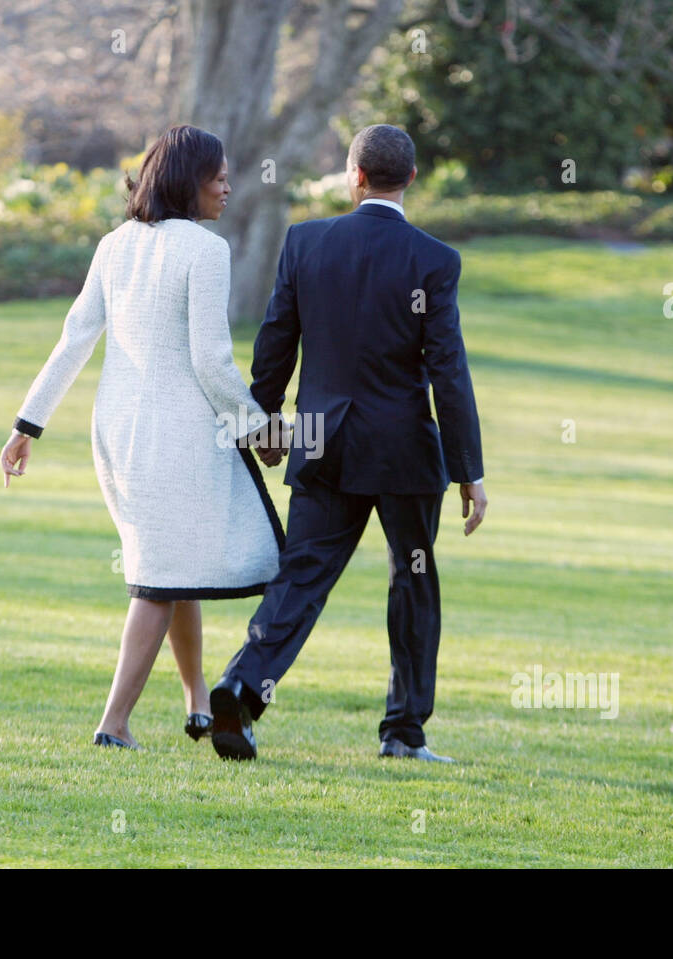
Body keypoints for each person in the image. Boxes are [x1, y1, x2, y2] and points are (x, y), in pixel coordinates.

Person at [209, 124, 488, 763]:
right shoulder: (435, 260)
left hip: (319, 438)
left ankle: (241, 685)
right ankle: (403, 733)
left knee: (303, 575)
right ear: (410, 179)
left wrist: (265, 421)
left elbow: (276, 341)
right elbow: (448, 370)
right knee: (412, 582)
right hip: (405, 450)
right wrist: (468, 469)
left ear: (353, 175)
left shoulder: (307, 242)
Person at [0, 125, 284, 750]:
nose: (229, 188)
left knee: (173, 564)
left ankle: (196, 702)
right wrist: (260, 423)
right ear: (189, 182)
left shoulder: (112, 245)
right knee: (159, 576)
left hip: (117, 435)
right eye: (218, 178)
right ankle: (114, 723)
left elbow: (74, 338)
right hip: (177, 439)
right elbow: (211, 362)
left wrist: (28, 425)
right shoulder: (206, 251)